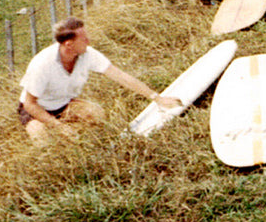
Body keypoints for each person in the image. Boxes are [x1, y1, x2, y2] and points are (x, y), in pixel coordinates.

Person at [17, 16, 181, 144]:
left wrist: (157, 98)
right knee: (42, 138)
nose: (88, 42)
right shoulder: (42, 64)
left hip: (64, 103)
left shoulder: (88, 54)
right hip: (36, 110)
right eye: (84, 39)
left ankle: (77, 139)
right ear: (68, 44)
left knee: (97, 115)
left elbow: (120, 76)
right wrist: (58, 126)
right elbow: (30, 104)